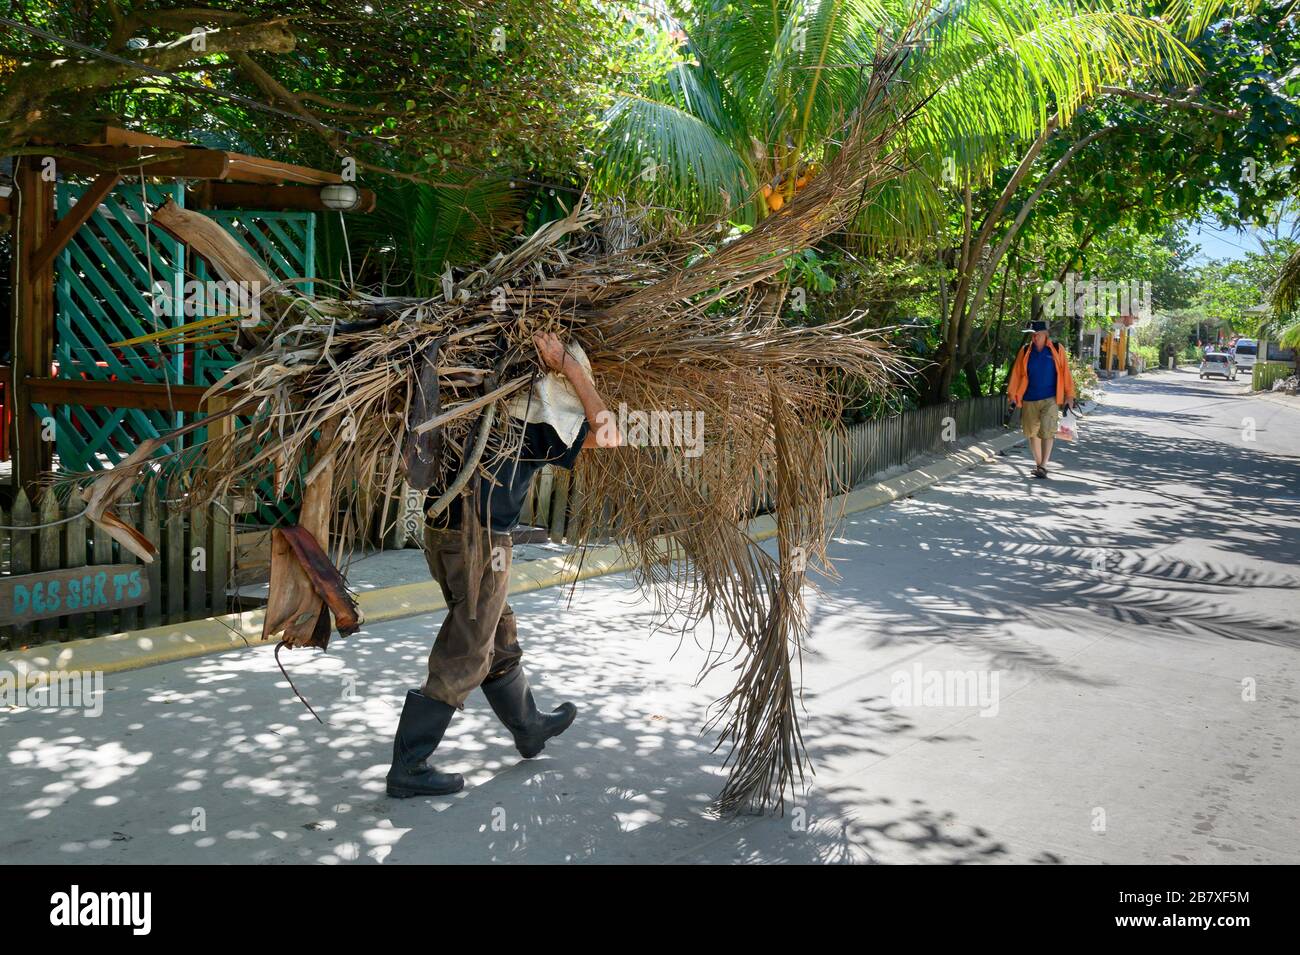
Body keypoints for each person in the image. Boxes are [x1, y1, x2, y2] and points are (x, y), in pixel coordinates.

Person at [387, 331, 621, 797]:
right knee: (468, 648)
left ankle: (529, 725)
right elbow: (610, 434)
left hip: (443, 536)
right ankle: (408, 767)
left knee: (497, 631)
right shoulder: (538, 429)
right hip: (479, 543)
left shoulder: (467, 411)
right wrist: (570, 368)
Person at [1008, 319, 1076, 480]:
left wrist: (1069, 395)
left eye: (1036, 335)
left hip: (1051, 398)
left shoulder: (1057, 350)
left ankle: (1043, 465)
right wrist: (1012, 395)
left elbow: (1066, 374)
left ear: (1045, 335)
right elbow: (1017, 375)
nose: (1034, 338)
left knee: (1048, 431)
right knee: (1032, 433)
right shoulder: (1025, 351)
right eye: (1032, 335)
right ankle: (1039, 465)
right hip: (1029, 398)